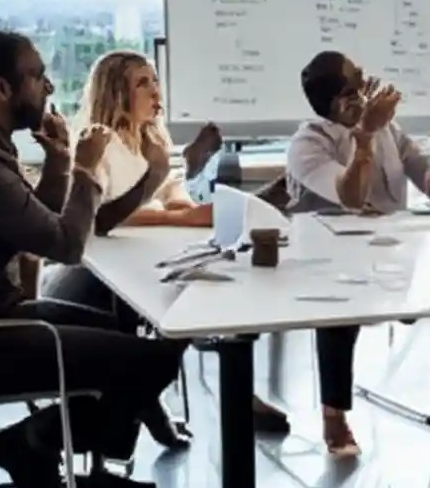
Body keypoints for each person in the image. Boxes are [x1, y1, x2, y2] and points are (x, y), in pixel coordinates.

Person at [0, 31, 178, 488]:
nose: (48, 88)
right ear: (2, 89)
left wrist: (60, 161)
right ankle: (31, 443)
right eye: (37, 76)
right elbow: (64, 244)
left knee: (131, 339)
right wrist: (86, 172)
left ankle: (68, 462)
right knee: (153, 360)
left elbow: (35, 222)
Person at [41, 49, 291, 439]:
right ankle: (177, 394)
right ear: (117, 92)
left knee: (209, 280)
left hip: (146, 259)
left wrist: (184, 205)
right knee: (186, 295)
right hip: (95, 277)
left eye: (155, 81)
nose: (156, 91)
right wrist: (178, 216)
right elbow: (100, 214)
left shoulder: (153, 139)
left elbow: (170, 190)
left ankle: (182, 391)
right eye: (143, 83)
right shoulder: (98, 143)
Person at [285, 51, 430, 455]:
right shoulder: (308, 143)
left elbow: (412, 156)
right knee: (337, 316)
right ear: (341, 100)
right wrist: (365, 136)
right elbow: (350, 197)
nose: (370, 83)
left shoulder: (381, 122)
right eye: (358, 80)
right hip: (334, 257)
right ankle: (334, 416)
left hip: (393, 244)